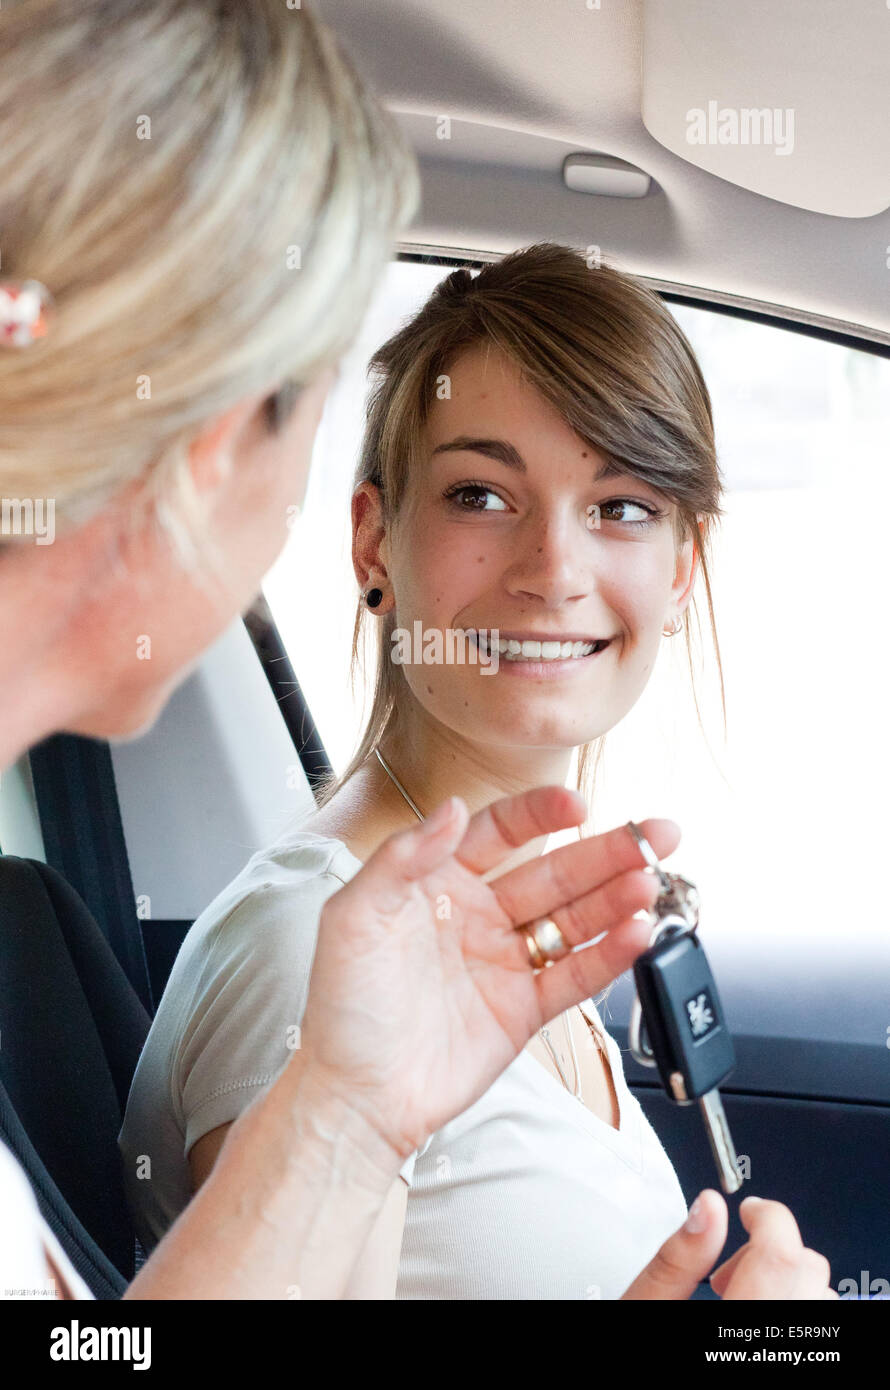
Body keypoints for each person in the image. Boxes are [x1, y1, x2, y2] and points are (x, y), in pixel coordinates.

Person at [120, 243, 835, 1300]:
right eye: (479, 494)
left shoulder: (506, 926)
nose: (553, 569)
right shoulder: (304, 950)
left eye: (621, 505)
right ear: (372, 543)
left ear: (679, 569)